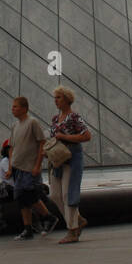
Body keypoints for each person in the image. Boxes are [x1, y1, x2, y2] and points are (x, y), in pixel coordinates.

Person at [48, 87, 91, 244]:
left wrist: (65, 137)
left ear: (67, 99)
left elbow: (87, 136)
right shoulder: (55, 119)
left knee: (68, 194)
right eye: (55, 97)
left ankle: (72, 231)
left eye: (58, 97)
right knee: (55, 195)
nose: (56, 100)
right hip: (58, 160)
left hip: (72, 158)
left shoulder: (74, 117)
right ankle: (77, 219)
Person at [8, 98, 55, 239]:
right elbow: (11, 147)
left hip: (29, 167)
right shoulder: (15, 125)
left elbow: (42, 143)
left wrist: (37, 165)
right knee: (21, 198)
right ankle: (27, 228)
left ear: (24, 108)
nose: (12, 109)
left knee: (30, 195)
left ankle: (48, 217)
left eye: (15, 107)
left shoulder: (32, 122)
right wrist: (10, 167)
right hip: (18, 167)